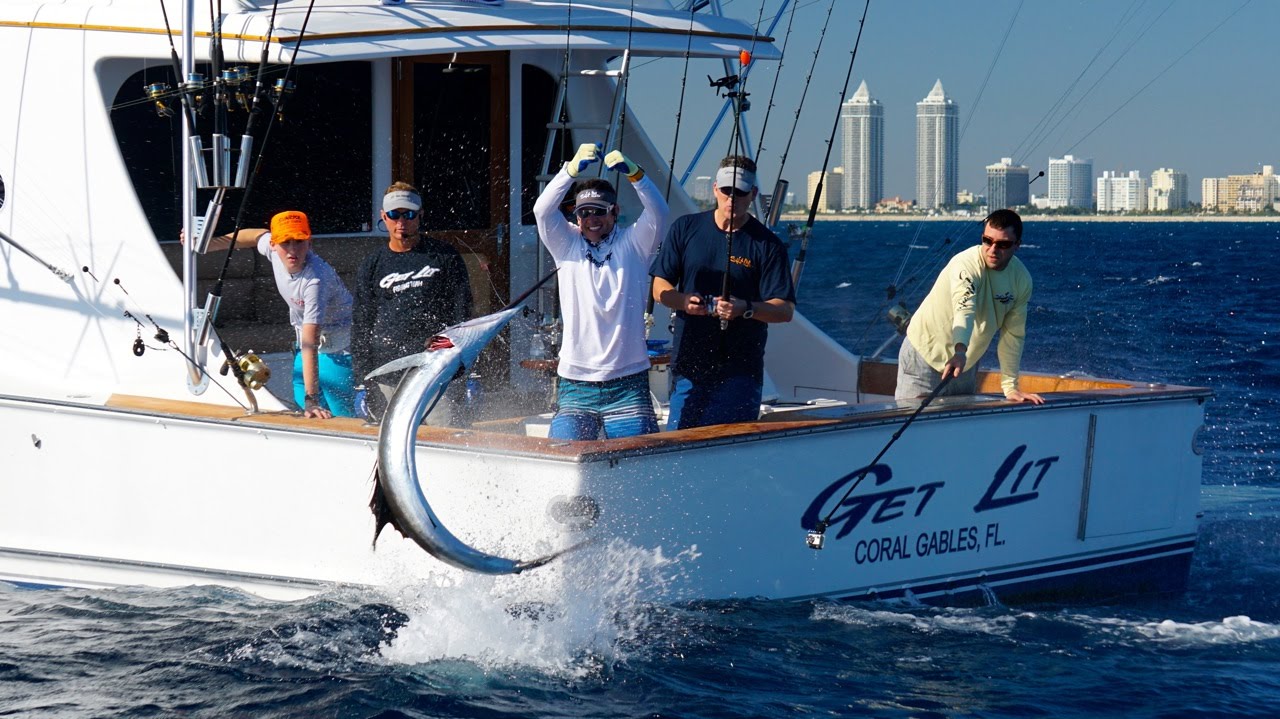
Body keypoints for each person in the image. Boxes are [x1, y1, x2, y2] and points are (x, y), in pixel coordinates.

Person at [533, 143, 669, 440]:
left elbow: (659, 211)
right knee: (564, 459)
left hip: (627, 382)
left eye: (598, 212)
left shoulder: (634, 242)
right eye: (583, 213)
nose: (591, 220)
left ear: (615, 211)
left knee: (637, 464)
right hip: (575, 382)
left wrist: (636, 175)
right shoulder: (566, 243)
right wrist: (569, 170)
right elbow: (542, 211)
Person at [651, 155, 795, 430]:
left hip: (740, 373)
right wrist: (683, 301)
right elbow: (660, 286)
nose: (732, 198)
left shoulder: (769, 245)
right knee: (679, 446)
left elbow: (785, 309)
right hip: (689, 367)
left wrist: (746, 308)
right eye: (727, 190)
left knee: (731, 450)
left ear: (752, 194)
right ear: (715, 188)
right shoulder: (685, 228)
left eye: (740, 192)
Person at [202, 211, 355, 419]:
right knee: (305, 410)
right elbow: (255, 236)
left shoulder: (315, 281)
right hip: (307, 349)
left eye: (299, 242)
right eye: (285, 242)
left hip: (340, 351)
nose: (292, 250)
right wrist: (209, 243)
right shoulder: (273, 250)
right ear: (273, 244)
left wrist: (313, 400)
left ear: (309, 242)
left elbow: (311, 340)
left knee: (341, 418)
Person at [895, 208, 1044, 405]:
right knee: (915, 433)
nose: (992, 249)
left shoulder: (1021, 280)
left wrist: (1010, 387)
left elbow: (1013, 335)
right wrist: (959, 351)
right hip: (925, 357)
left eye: (1003, 244)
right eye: (987, 240)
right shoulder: (965, 265)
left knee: (957, 431)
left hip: (964, 365)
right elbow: (964, 309)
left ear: (1017, 245)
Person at [352, 182, 472, 424]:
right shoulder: (372, 264)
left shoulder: (445, 256)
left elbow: (463, 316)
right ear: (383, 217)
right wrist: (362, 381)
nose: (401, 222)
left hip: (435, 371)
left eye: (408, 215)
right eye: (394, 215)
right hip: (387, 373)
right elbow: (361, 325)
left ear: (421, 216)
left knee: (445, 440)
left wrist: (464, 368)